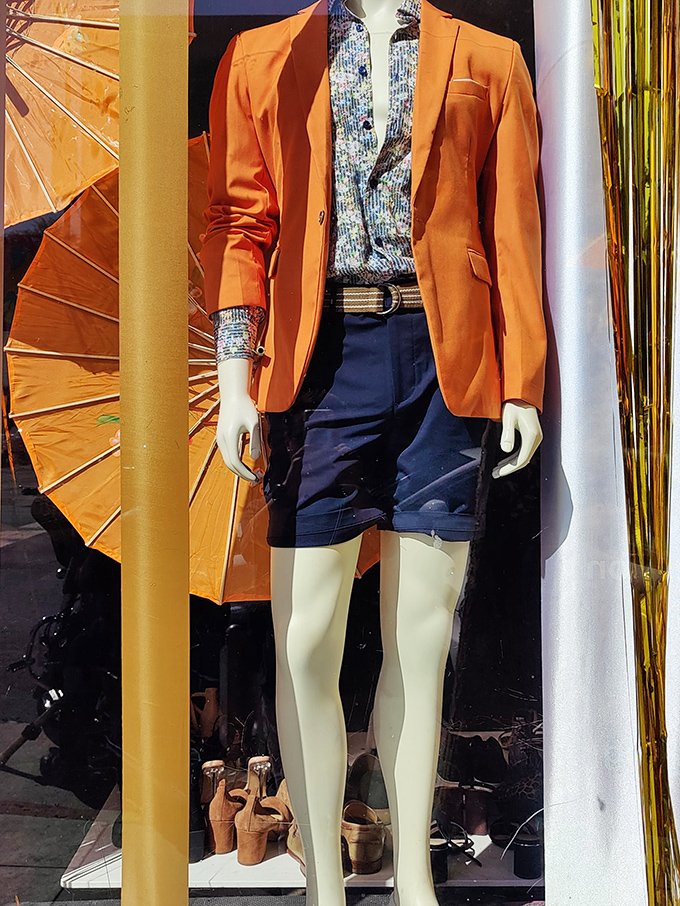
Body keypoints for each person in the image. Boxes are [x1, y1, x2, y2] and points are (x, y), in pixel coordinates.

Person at [200, 1, 546, 904]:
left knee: (418, 642)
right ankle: (322, 882)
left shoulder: (491, 58)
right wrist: (237, 377)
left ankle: (414, 884)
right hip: (320, 370)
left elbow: (513, 226)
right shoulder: (263, 57)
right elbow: (242, 223)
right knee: (306, 639)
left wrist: (522, 382)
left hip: (445, 365)